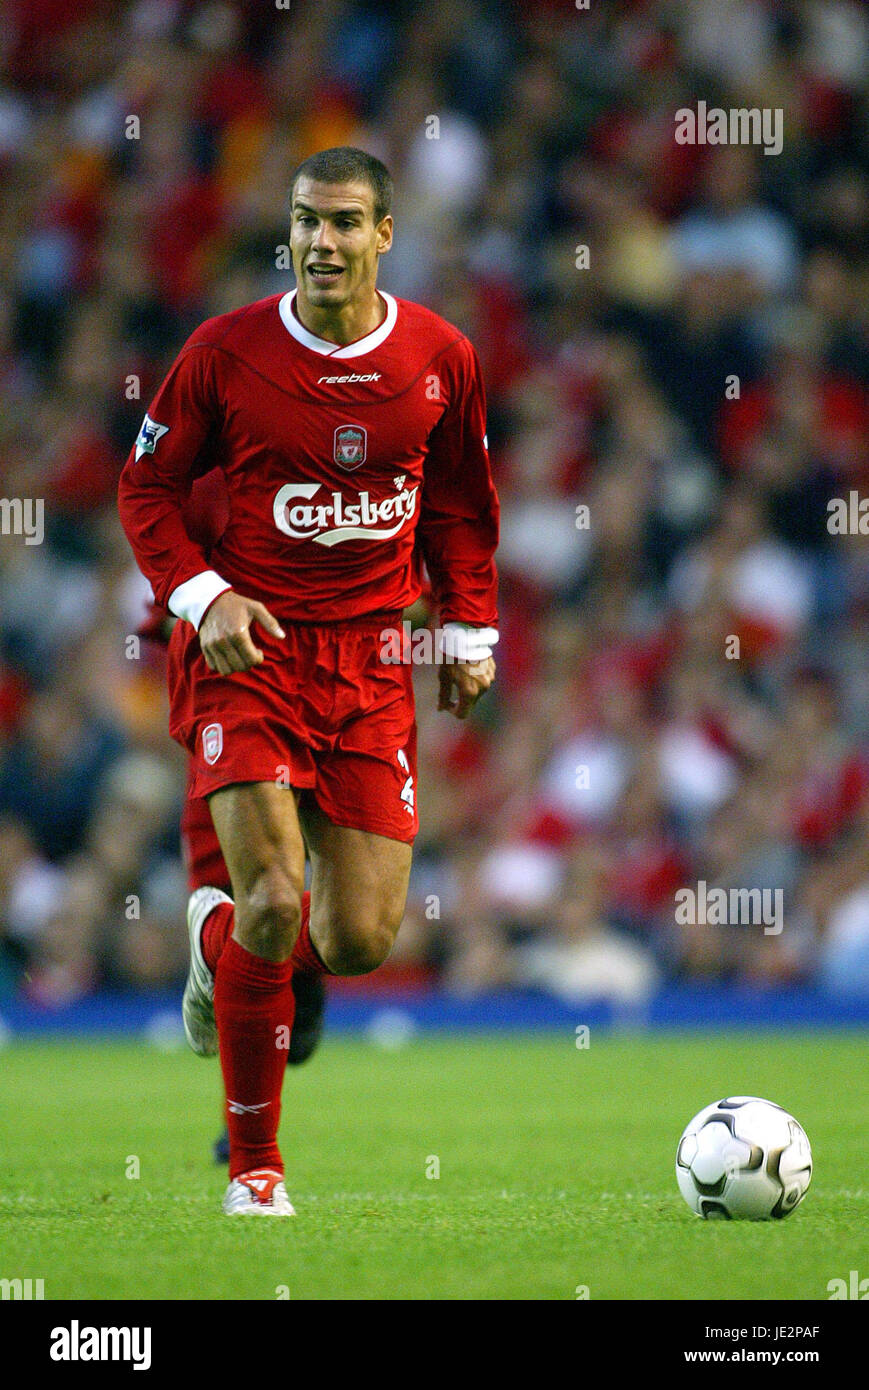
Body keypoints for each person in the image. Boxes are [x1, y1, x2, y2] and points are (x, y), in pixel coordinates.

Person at [118, 146, 499, 1216]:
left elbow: (464, 503)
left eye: (341, 224)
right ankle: (256, 1171)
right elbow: (144, 488)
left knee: (360, 939)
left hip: (374, 662)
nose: (318, 243)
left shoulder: (440, 355)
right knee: (276, 901)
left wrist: (471, 625)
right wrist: (203, 600)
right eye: (303, 222)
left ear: (384, 234)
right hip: (252, 653)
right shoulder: (227, 351)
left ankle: (214, 939)